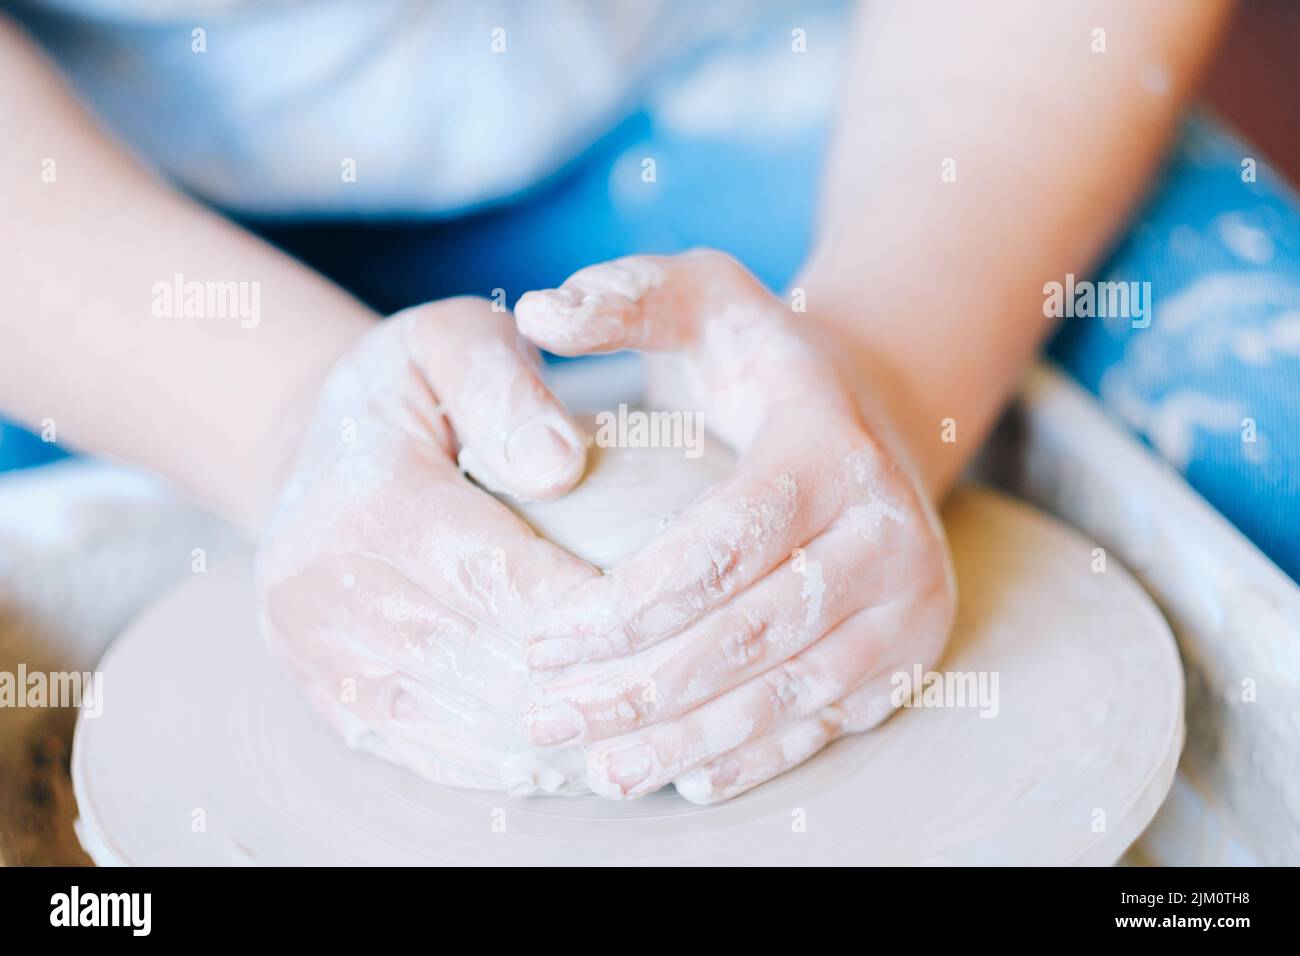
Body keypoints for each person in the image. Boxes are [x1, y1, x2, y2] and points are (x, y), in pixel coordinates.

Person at [0, 1, 1239, 801]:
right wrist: (280, 421)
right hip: (81, 201)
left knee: (1254, 422)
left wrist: (893, 369)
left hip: (803, 86)